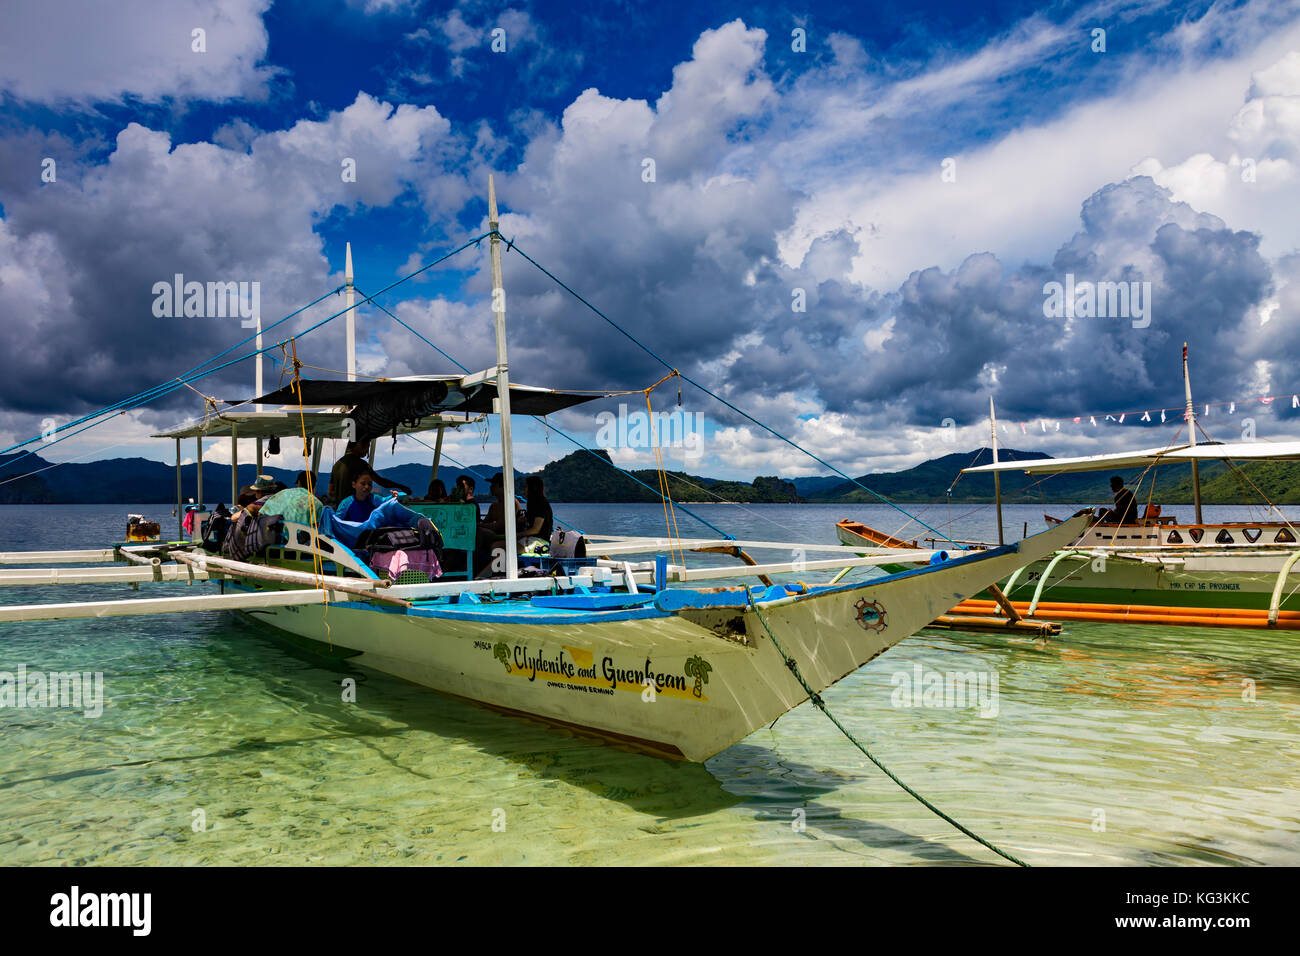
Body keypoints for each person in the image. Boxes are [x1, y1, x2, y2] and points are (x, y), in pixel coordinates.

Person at [327, 440, 411, 505]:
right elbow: (381, 482)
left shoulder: (337, 465)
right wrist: (401, 487)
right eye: (367, 446)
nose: (367, 451)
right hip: (357, 510)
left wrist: (342, 497)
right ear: (359, 445)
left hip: (340, 511)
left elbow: (330, 492)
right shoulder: (361, 464)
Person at [519, 475, 553, 547]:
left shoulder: (541, 503)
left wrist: (517, 535)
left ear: (533, 488)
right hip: (532, 538)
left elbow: (535, 529)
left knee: (500, 547)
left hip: (540, 541)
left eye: (526, 487)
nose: (524, 490)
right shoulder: (533, 504)